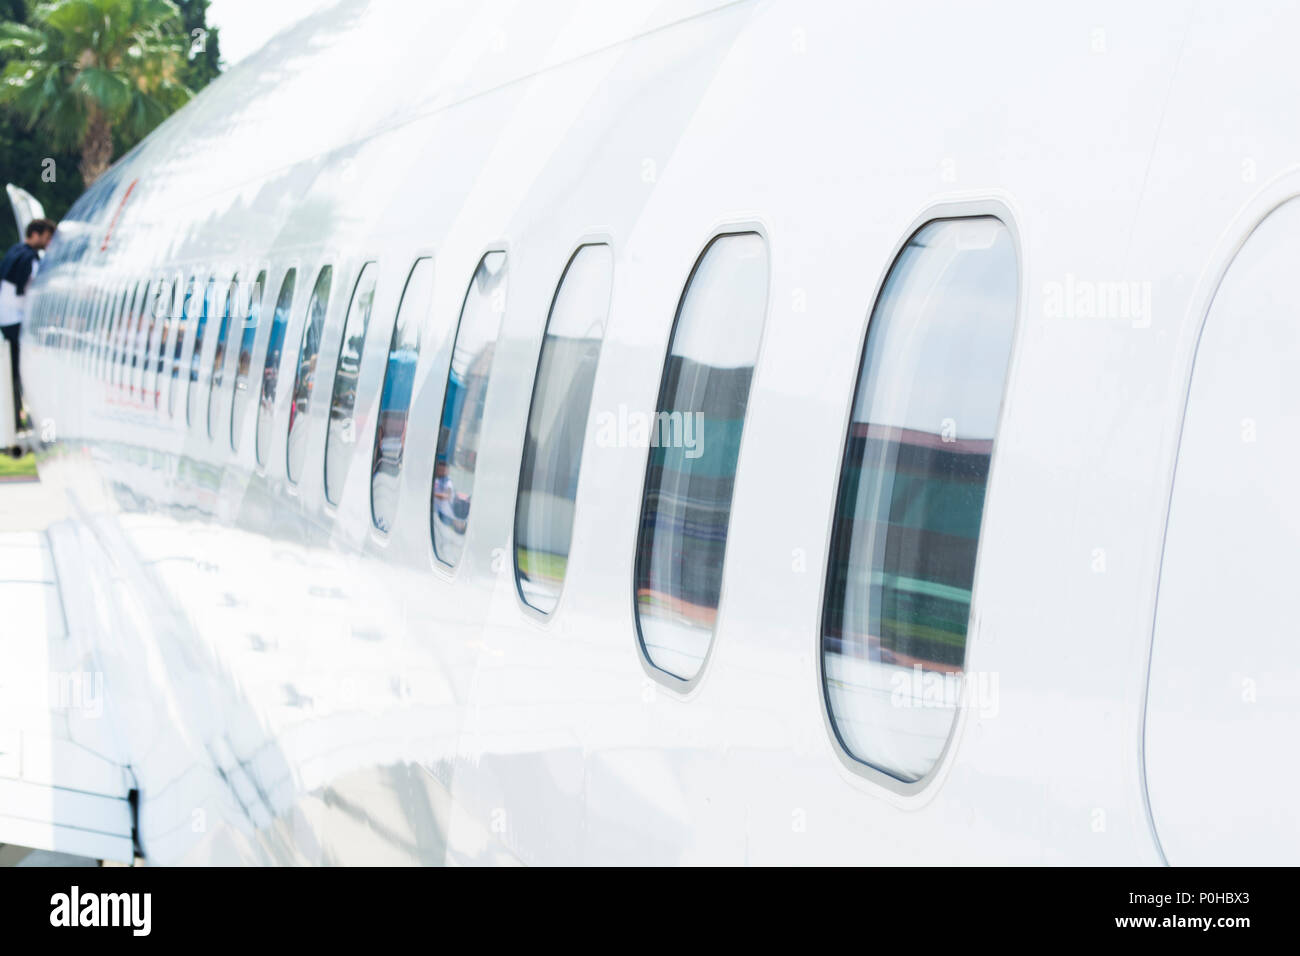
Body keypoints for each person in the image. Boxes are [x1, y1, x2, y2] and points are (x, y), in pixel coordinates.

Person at [0, 218, 57, 433]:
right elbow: (34, 291)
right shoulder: (30, 258)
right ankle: (36, 420)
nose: (48, 242)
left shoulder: (14, 253)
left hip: (6, 321)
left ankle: (14, 421)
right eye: (47, 237)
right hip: (18, 322)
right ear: (37, 234)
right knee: (30, 372)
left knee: (13, 374)